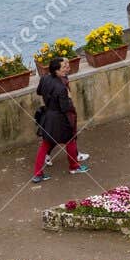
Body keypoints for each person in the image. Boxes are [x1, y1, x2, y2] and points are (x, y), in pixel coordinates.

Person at [31, 57, 89, 185]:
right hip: (60, 118)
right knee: (70, 140)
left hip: (48, 116)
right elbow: (65, 107)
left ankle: (37, 174)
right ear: (56, 71)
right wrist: (69, 97)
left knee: (45, 145)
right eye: (63, 67)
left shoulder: (45, 78)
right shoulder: (62, 88)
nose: (66, 68)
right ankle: (74, 167)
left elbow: (39, 91)